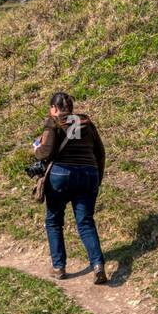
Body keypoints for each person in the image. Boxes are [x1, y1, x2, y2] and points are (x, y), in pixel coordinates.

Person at [32, 92, 107, 283]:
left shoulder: (53, 122)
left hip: (61, 175)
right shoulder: (87, 123)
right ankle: (98, 265)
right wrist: (97, 178)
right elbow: (100, 152)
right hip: (89, 174)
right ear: (71, 108)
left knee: (54, 221)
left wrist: (36, 149)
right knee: (85, 222)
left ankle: (59, 267)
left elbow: (45, 152)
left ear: (54, 109)